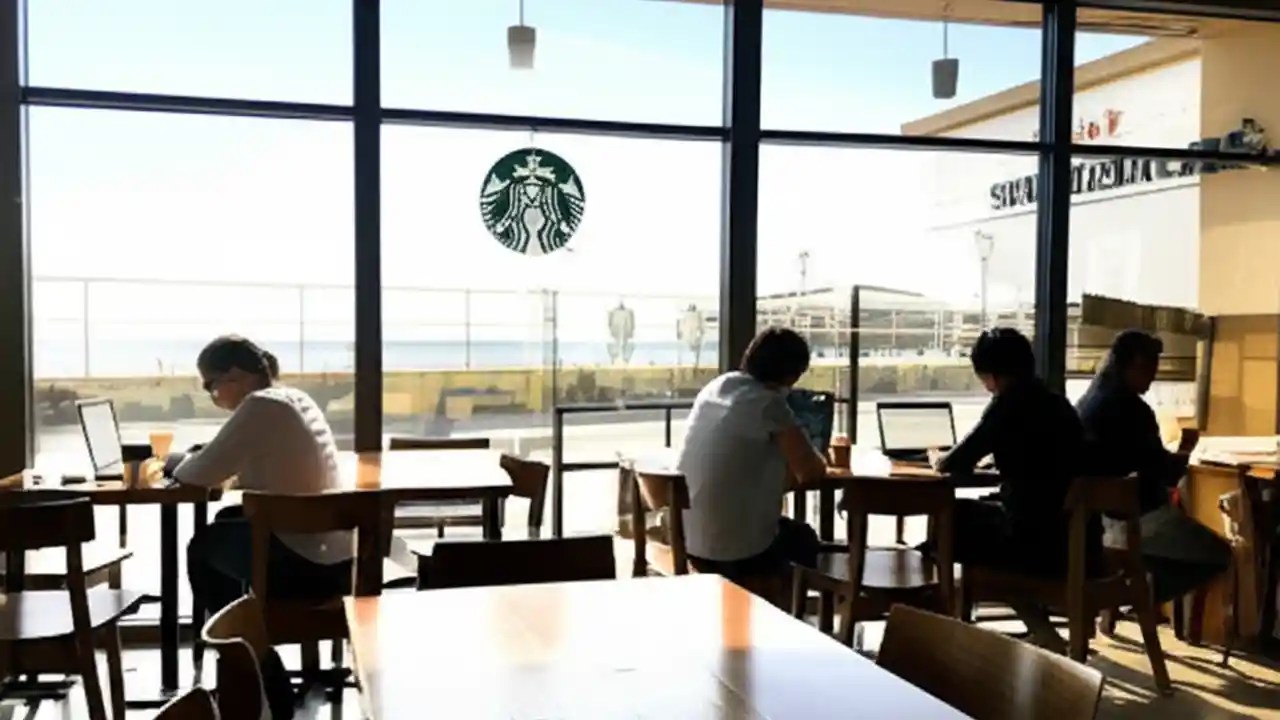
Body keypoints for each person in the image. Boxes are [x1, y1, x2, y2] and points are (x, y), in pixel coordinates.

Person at [175, 335, 352, 620]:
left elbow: (198, 474)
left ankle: (244, 648)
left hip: (306, 568)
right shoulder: (295, 398)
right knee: (227, 521)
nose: (213, 396)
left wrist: (175, 463)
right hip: (338, 558)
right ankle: (249, 643)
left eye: (211, 386)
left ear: (234, 376)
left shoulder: (259, 406)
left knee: (203, 546)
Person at [934, 328, 1089, 651]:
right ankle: (1042, 631)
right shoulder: (1058, 403)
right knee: (986, 521)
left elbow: (954, 462)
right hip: (1079, 542)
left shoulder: (1007, 405)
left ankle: (941, 630)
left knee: (951, 523)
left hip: (1035, 547)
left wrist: (938, 457)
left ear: (991, 375)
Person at [1076, 329, 1230, 604]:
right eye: (1149, 369)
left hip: (1095, 522)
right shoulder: (1133, 410)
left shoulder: (1089, 401)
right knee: (1220, 554)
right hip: (1135, 520)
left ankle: (1130, 594)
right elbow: (1165, 473)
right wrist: (1185, 451)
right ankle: (1133, 596)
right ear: (1133, 365)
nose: (1153, 377)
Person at [675, 327, 826, 585]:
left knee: (785, 532)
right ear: (792, 374)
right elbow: (811, 472)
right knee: (804, 540)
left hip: (687, 540)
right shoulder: (769, 403)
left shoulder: (716, 388)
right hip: (736, 552)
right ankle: (785, 615)